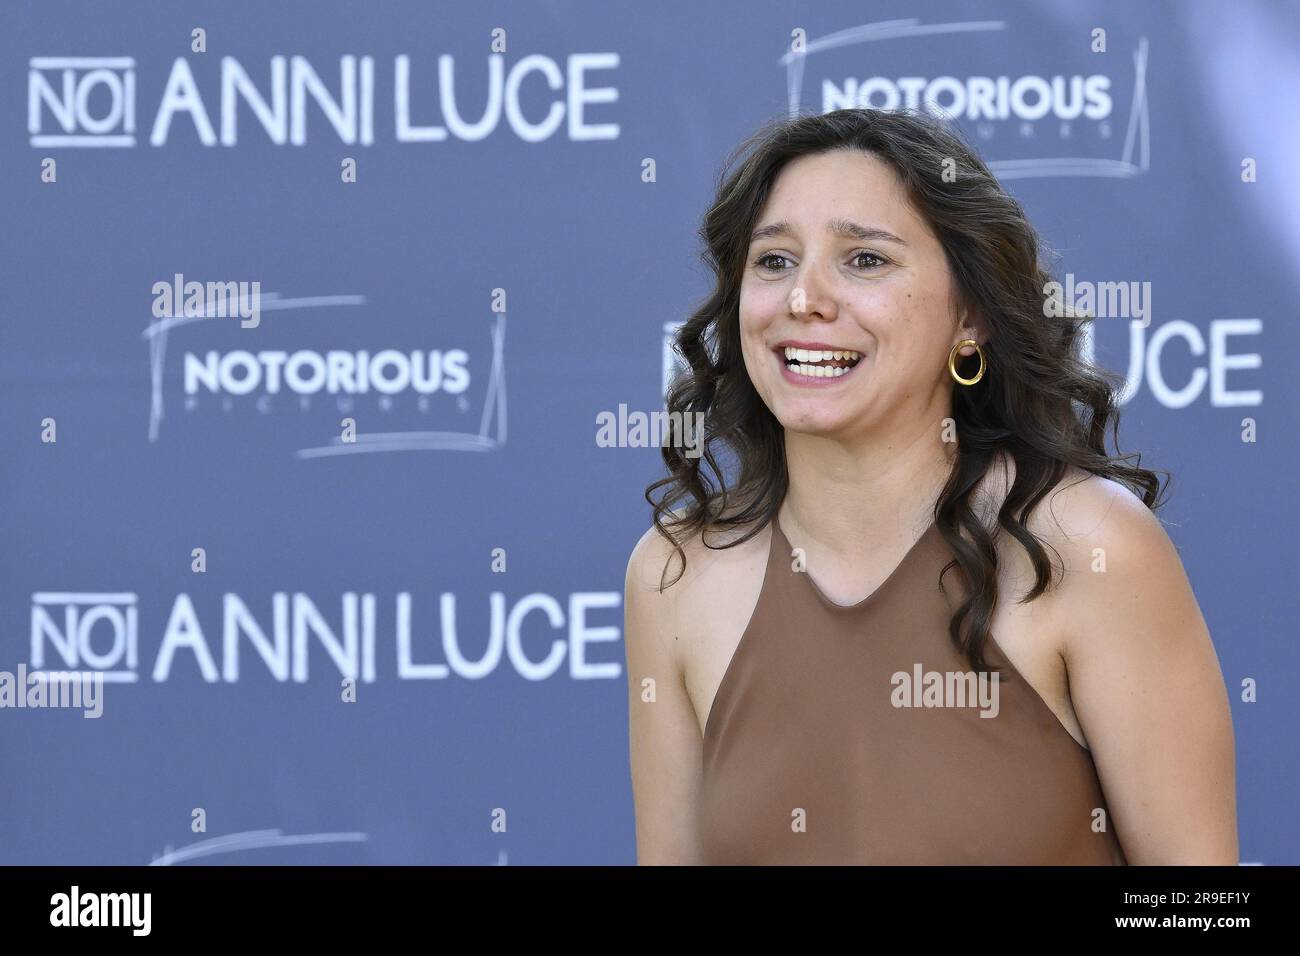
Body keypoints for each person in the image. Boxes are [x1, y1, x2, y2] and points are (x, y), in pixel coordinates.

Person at [624, 107, 1237, 865]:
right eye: (774, 261)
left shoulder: (1087, 547)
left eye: (866, 260)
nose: (803, 299)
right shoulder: (676, 572)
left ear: (970, 316)